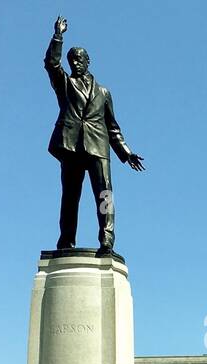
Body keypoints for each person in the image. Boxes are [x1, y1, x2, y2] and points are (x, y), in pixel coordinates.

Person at [45, 16, 146, 253]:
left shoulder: (104, 92)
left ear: (89, 61)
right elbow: (51, 64)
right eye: (72, 59)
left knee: (104, 195)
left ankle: (107, 239)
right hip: (71, 146)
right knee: (70, 197)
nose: (75, 63)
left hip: (98, 147)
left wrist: (126, 153)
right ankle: (66, 241)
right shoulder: (65, 84)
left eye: (79, 59)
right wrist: (58, 36)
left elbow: (112, 127)